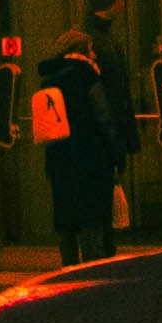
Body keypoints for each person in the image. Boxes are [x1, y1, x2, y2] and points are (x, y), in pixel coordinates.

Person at [32, 32, 132, 261]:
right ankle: (91, 275)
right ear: (83, 50)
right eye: (91, 48)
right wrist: (117, 153)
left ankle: (68, 274)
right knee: (92, 222)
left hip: (59, 160)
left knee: (66, 223)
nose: (95, 53)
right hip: (90, 159)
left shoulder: (48, 79)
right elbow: (103, 116)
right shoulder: (87, 75)